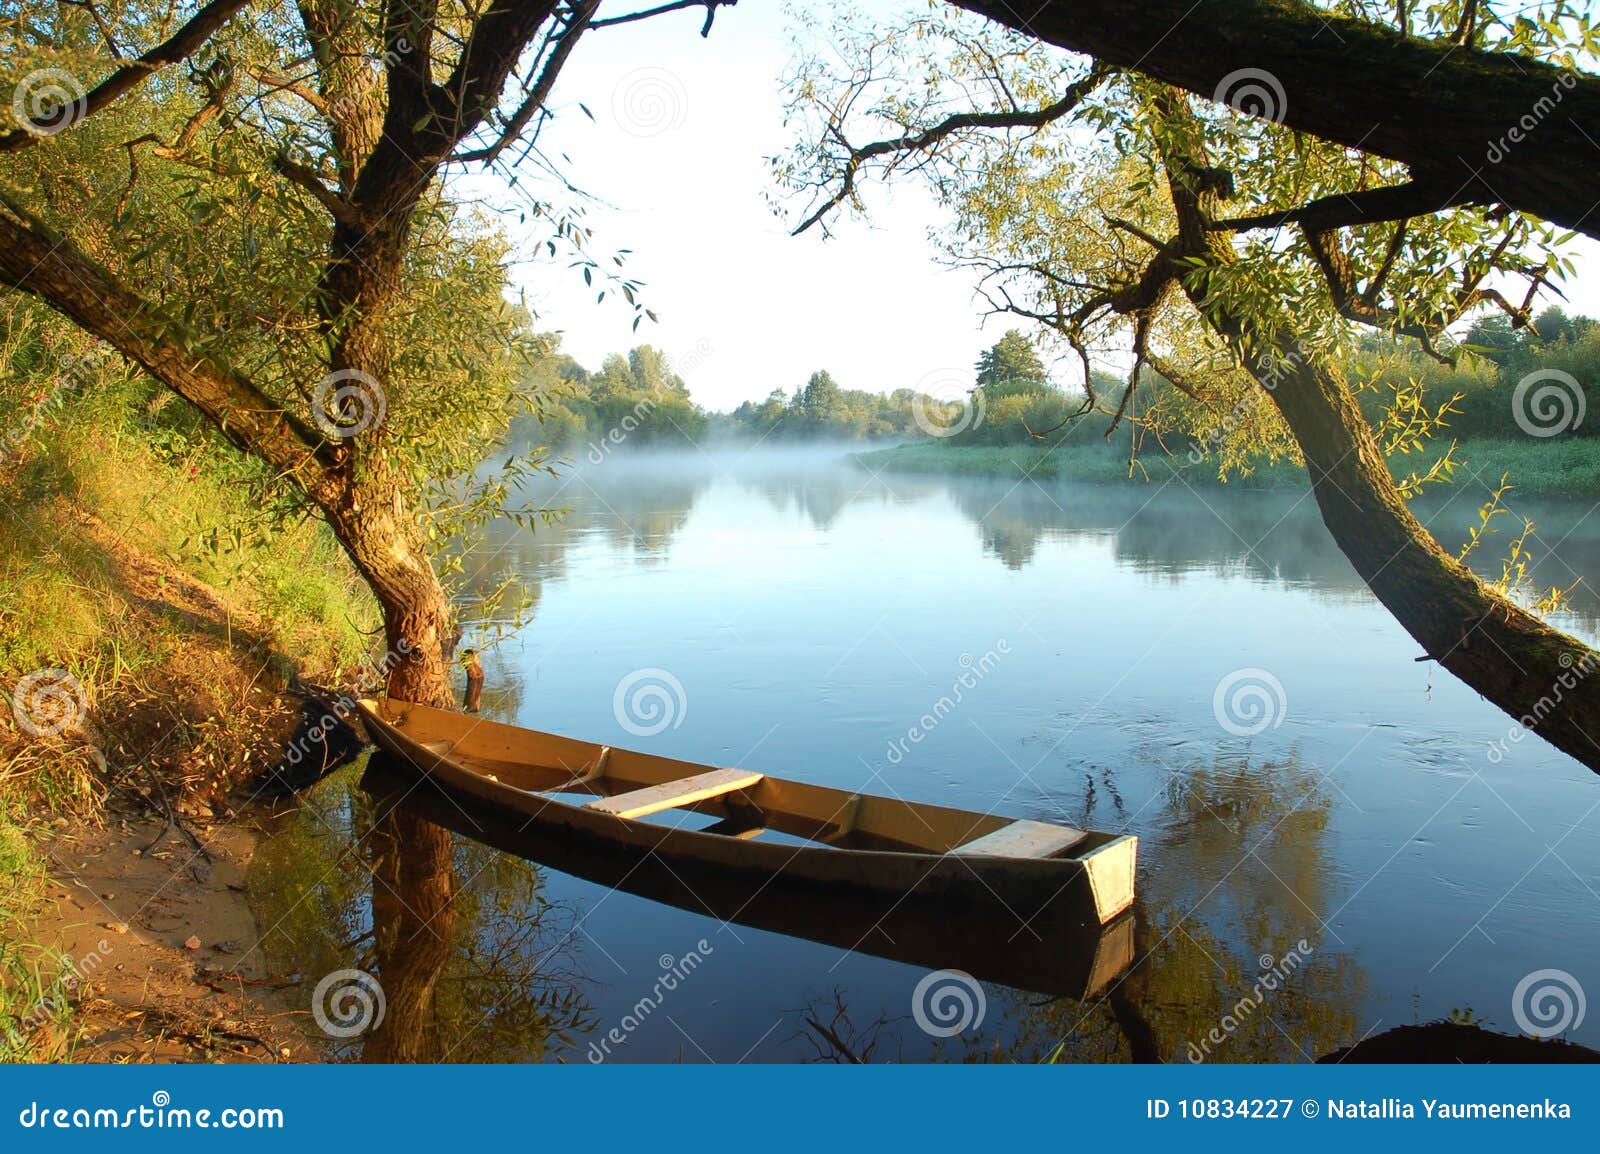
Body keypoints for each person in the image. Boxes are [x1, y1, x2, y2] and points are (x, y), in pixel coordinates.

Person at [462, 648, 484, 713]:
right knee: (472, 691)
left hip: (477, 679)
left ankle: (472, 707)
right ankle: (469, 707)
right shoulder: (471, 668)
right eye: (476, 657)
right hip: (474, 680)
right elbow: (472, 675)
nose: (477, 659)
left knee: (475, 692)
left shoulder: (477, 668)